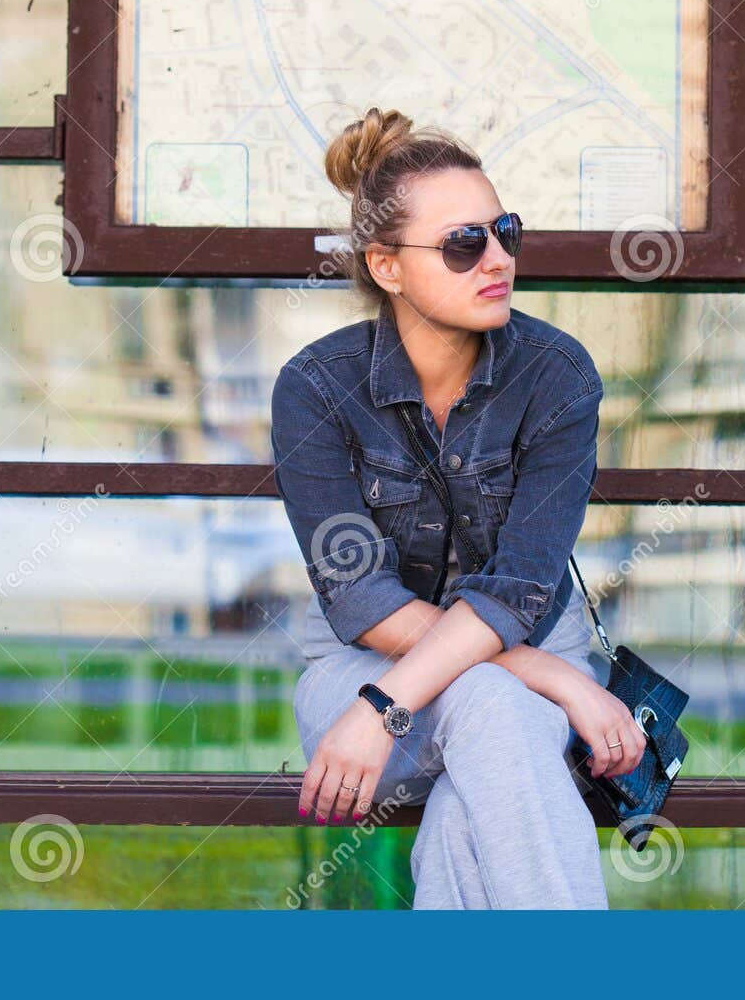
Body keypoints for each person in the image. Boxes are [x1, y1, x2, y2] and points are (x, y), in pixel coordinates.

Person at [269, 106, 646, 909]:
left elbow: (520, 589)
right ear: (387, 266)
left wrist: (393, 707)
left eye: (504, 230)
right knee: (497, 706)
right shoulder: (316, 388)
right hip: (360, 674)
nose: (498, 258)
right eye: (463, 243)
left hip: (469, 695)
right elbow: (361, 598)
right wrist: (550, 676)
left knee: (466, 804)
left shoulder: (556, 375)